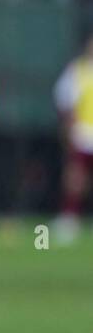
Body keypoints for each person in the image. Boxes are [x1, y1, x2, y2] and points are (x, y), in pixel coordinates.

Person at [53, 34, 93, 243]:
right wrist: (69, 127)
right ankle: (70, 217)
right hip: (84, 133)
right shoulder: (78, 71)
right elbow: (65, 99)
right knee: (76, 177)